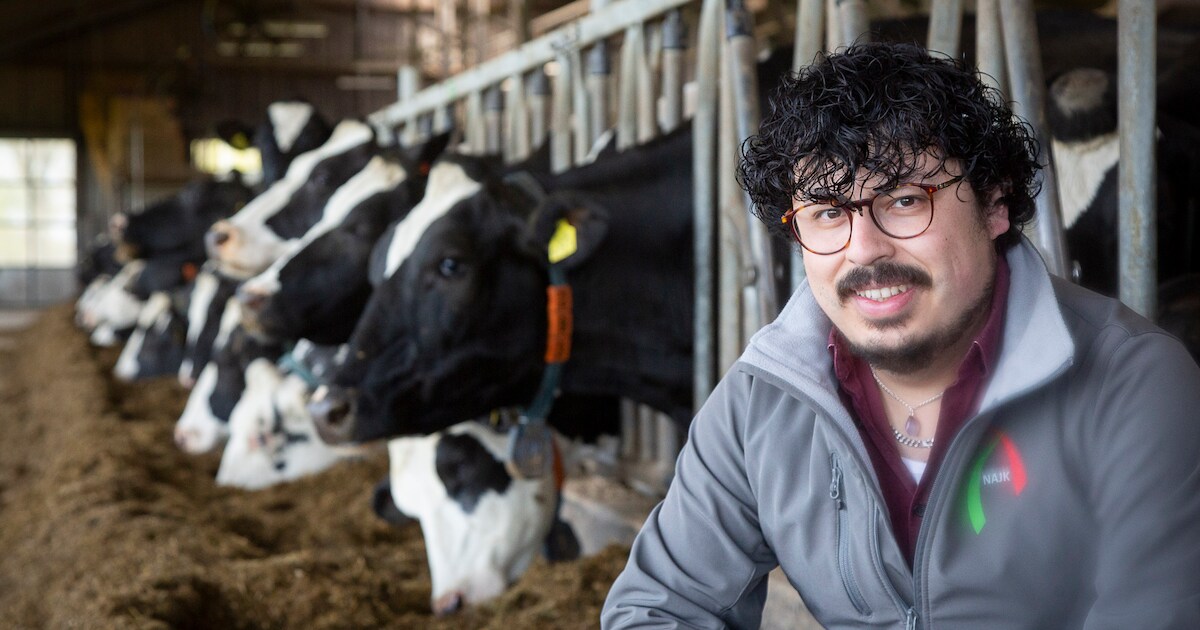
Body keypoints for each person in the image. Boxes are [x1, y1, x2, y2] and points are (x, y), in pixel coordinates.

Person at [601, 41, 1200, 629]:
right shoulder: (763, 400)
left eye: (906, 200)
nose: (864, 250)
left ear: (996, 203)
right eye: (829, 213)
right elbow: (655, 609)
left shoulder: (1137, 386)